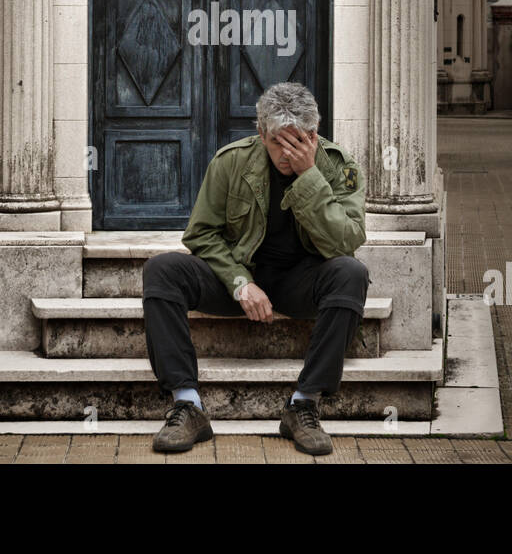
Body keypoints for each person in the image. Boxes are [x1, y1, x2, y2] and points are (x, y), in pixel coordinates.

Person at [141, 81, 368, 455]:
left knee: (351, 273)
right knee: (161, 270)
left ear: (313, 134)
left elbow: (345, 242)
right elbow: (201, 234)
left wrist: (308, 175)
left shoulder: (340, 167)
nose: (285, 152)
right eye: (277, 141)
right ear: (260, 133)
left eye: (297, 141)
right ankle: (187, 405)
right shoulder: (231, 161)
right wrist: (239, 282)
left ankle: (304, 403)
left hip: (302, 283)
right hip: (241, 276)